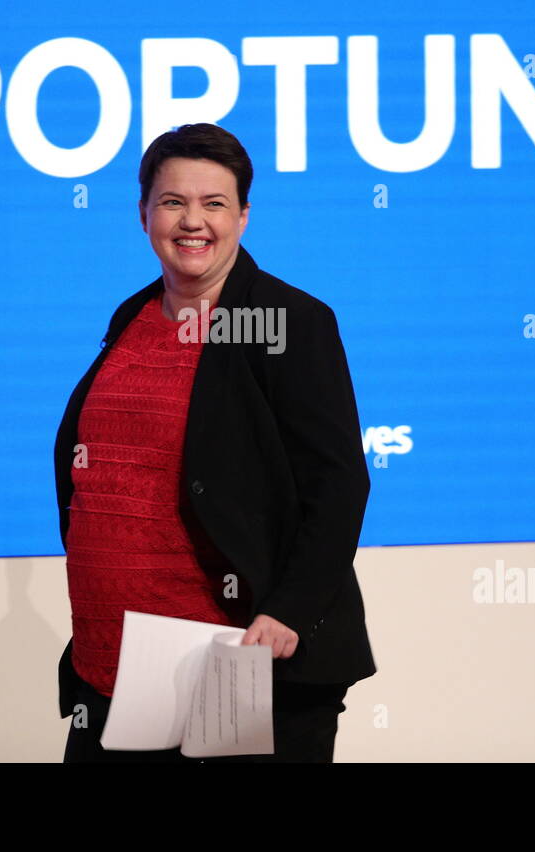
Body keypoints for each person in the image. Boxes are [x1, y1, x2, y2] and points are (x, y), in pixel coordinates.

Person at [53, 122, 376, 762]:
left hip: (244, 665)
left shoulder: (288, 321)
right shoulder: (132, 316)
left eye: (214, 203)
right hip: (114, 669)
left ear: (244, 217)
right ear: (143, 213)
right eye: (173, 202)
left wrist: (289, 611)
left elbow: (338, 483)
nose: (191, 221)